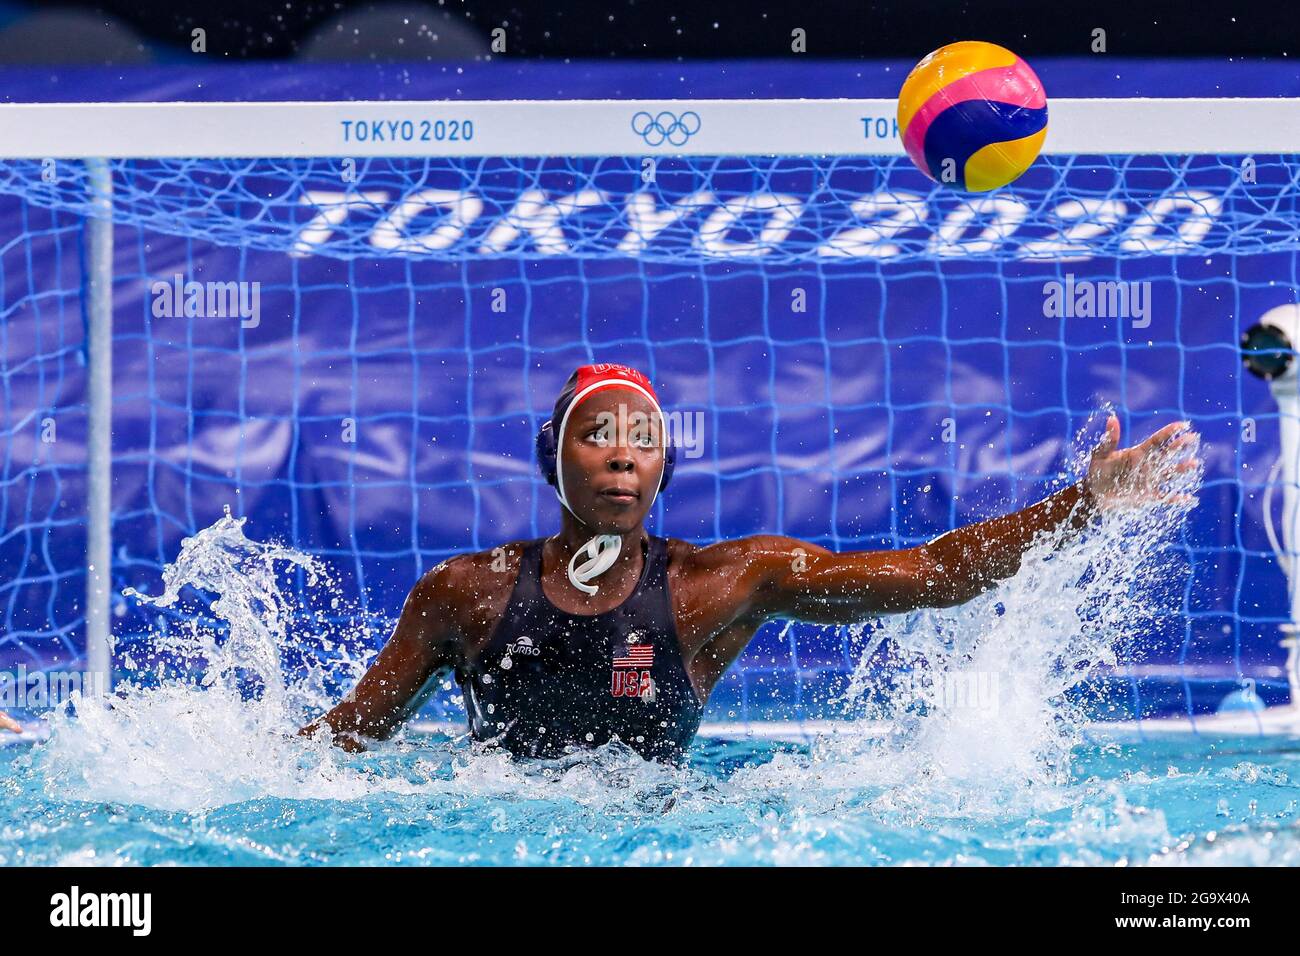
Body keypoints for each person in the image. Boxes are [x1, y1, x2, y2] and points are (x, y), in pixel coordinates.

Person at [301, 362, 1198, 761]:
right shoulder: (464, 592)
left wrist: (1085, 504)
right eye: (599, 437)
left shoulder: (723, 583)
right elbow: (345, 741)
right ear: (555, 460)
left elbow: (933, 573)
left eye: (643, 440)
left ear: (664, 468)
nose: (622, 454)